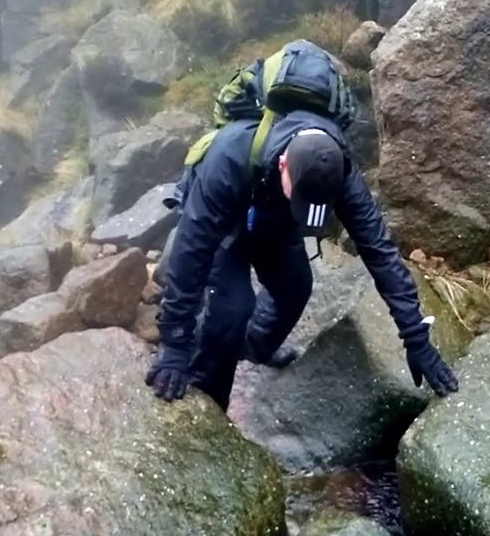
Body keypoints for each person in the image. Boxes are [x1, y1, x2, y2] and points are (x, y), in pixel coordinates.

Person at [145, 104, 459, 410]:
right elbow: (190, 253)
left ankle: (250, 347)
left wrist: (416, 339)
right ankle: (210, 401)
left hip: (273, 222)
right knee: (232, 308)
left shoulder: (341, 173)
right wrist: (174, 343)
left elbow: (381, 253)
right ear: (283, 164)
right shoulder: (229, 158)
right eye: (302, 201)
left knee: (295, 288)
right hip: (225, 225)